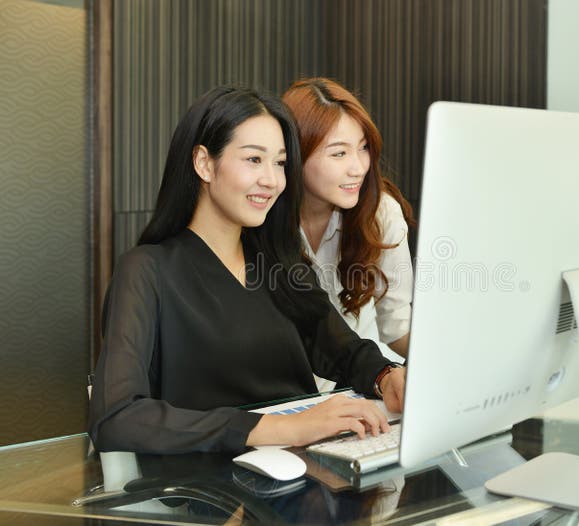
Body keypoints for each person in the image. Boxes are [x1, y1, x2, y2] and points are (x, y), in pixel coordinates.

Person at [88, 86, 405, 454]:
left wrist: (386, 376)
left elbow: (343, 350)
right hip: (215, 497)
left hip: (307, 475)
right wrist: (283, 429)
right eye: (254, 160)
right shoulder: (145, 271)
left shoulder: (280, 264)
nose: (272, 180)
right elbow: (116, 417)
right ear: (204, 163)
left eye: (280, 163)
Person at [282, 78, 415, 371]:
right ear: (295, 154)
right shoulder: (260, 218)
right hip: (292, 392)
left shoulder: (380, 214)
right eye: (339, 153)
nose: (358, 168)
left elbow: (397, 327)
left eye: (363, 148)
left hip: (368, 381)